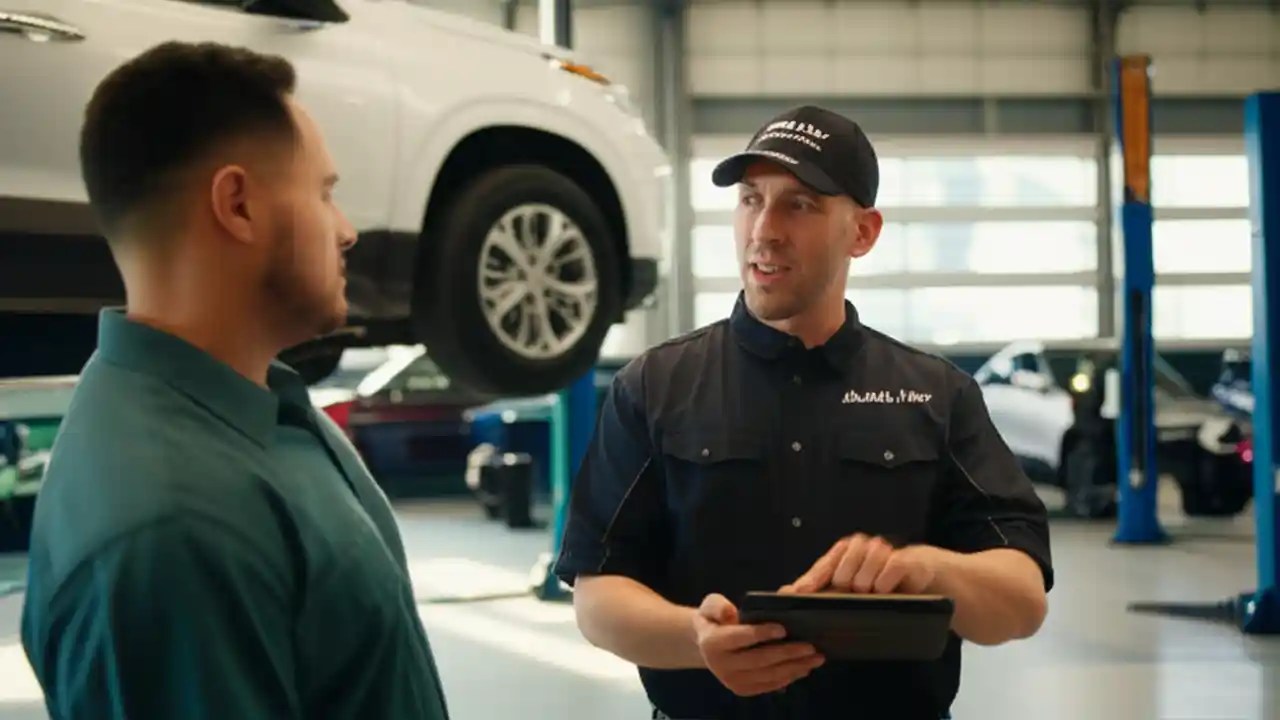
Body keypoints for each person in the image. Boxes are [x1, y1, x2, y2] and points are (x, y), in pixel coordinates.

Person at [553, 105, 1054, 720]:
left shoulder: (937, 397)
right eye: (750, 199)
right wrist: (694, 639)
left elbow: (1022, 601)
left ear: (863, 232)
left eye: (799, 205)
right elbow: (598, 592)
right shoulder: (654, 388)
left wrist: (926, 570)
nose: (764, 230)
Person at [20, 42, 450, 720]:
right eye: (324, 194)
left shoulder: (257, 406)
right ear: (238, 205)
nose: (346, 231)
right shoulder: (173, 530)